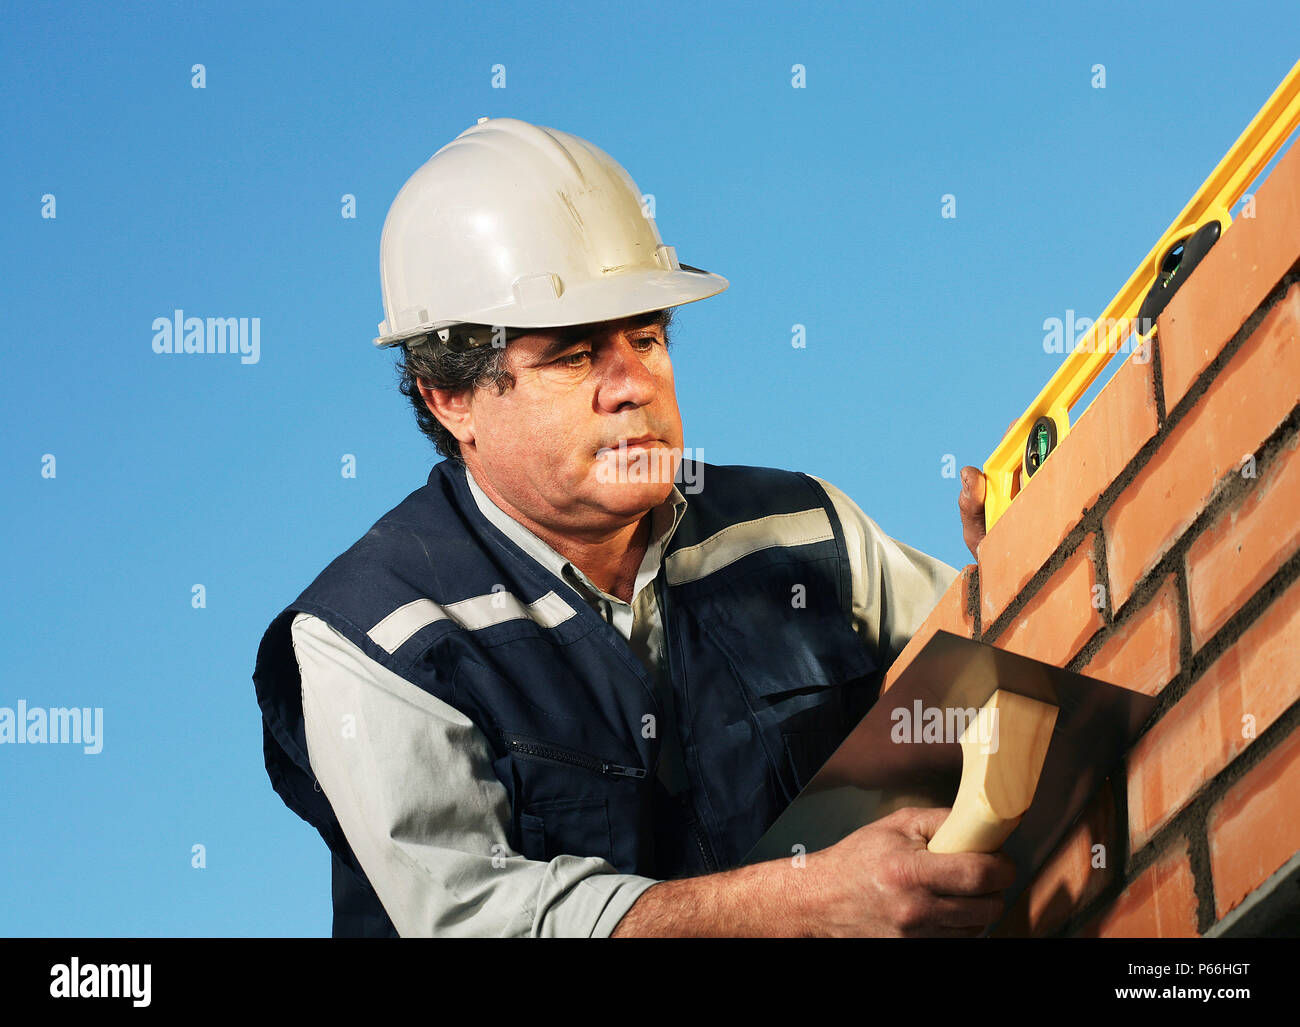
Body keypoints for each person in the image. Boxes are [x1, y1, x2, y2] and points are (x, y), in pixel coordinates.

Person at [252, 117, 1005, 938]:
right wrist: (810, 899)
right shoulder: (373, 638)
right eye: (574, 356)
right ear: (452, 397)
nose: (632, 383)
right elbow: (479, 921)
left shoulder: (802, 531)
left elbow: (998, 673)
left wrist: (1019, 567)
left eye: (648, 336)